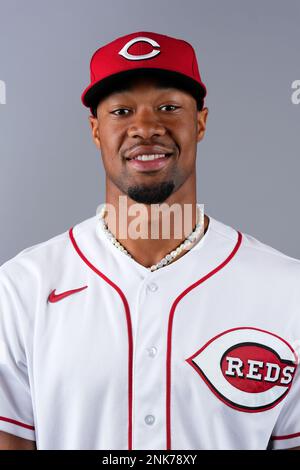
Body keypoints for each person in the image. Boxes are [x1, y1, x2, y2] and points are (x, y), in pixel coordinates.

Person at [0, 31, 299, 451]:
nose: (145, 127)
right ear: (95, 131)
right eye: (122, 111)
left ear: (200, 122)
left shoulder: (287, 290)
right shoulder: (20, 288)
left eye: (169, 107)